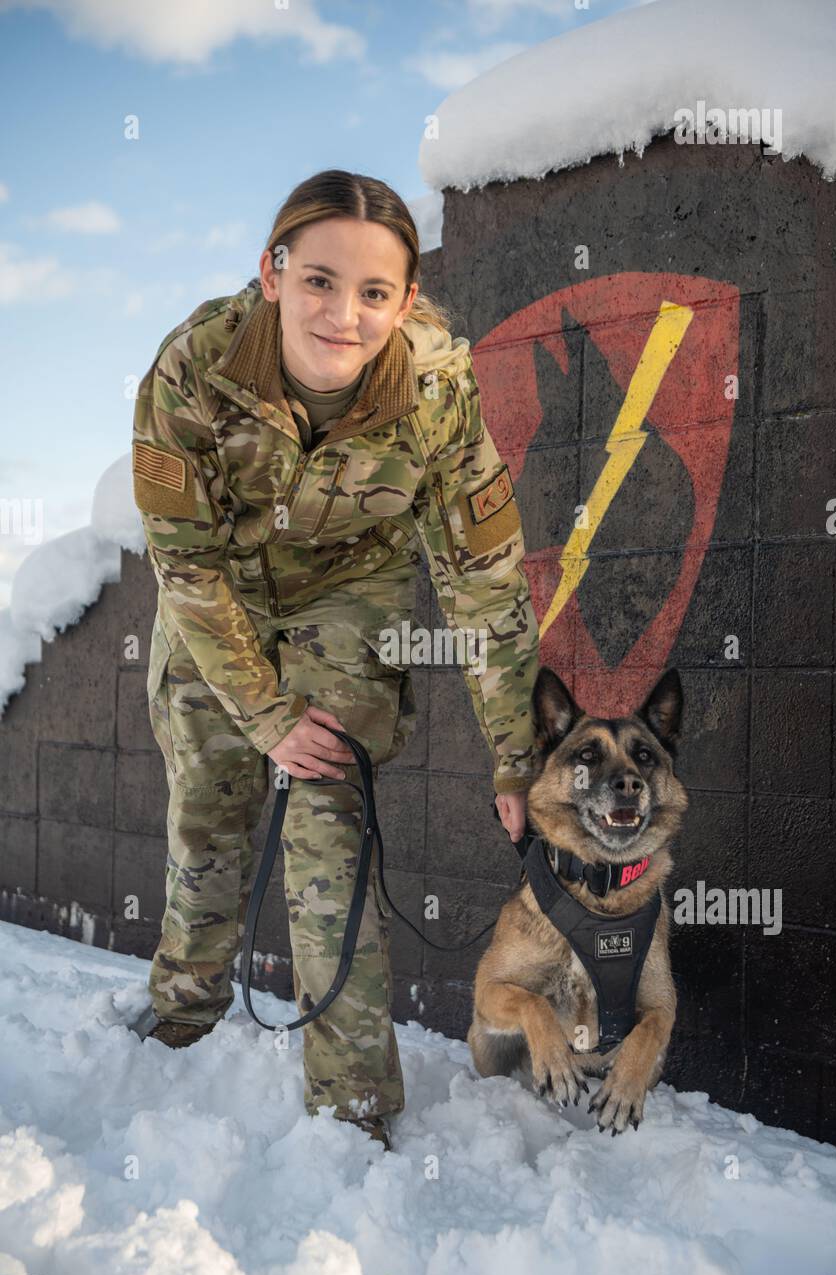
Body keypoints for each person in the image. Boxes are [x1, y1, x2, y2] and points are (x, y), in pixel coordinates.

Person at [131, 168, 539, 1151]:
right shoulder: (194, 367)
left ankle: (353, 1110)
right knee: (207, 819)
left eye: (371, 293)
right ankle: (183, 1011)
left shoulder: (436, 385)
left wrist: (515, 752)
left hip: (346, 589)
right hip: (215, 593)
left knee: (326, 828)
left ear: (404, 302)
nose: (341, 315)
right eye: (317, 280)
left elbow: (480, 571)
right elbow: (181, 558)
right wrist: (262, 712)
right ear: (270, 274)